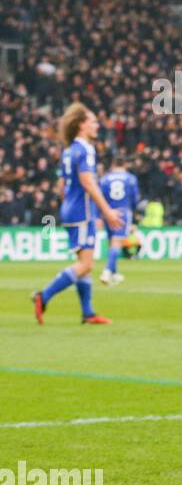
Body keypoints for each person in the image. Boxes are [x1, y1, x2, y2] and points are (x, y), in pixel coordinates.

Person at [31, 104, 122, 325]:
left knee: (83, 261)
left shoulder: (69, 150)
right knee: (86, 265)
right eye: (92, 121)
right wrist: (107, 210)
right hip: (82, 212)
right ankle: (44, 295)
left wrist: (70, 205)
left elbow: (61, 186)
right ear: (81, 125)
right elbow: (88, 183)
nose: (96, 124)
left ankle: (88, 312)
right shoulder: (85, 149)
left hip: (71, 210)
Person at [99, 156, 141, 286]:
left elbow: (100, 196)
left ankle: (114, 273)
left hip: (108, 211)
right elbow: (135, 199)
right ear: (125, 165)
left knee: (112, 242)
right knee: (117, 243)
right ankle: (106, 272)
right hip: (123, 211)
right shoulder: (130, 178)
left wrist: (100, 214)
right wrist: (134, 214)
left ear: (113, 164)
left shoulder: (104, 179)